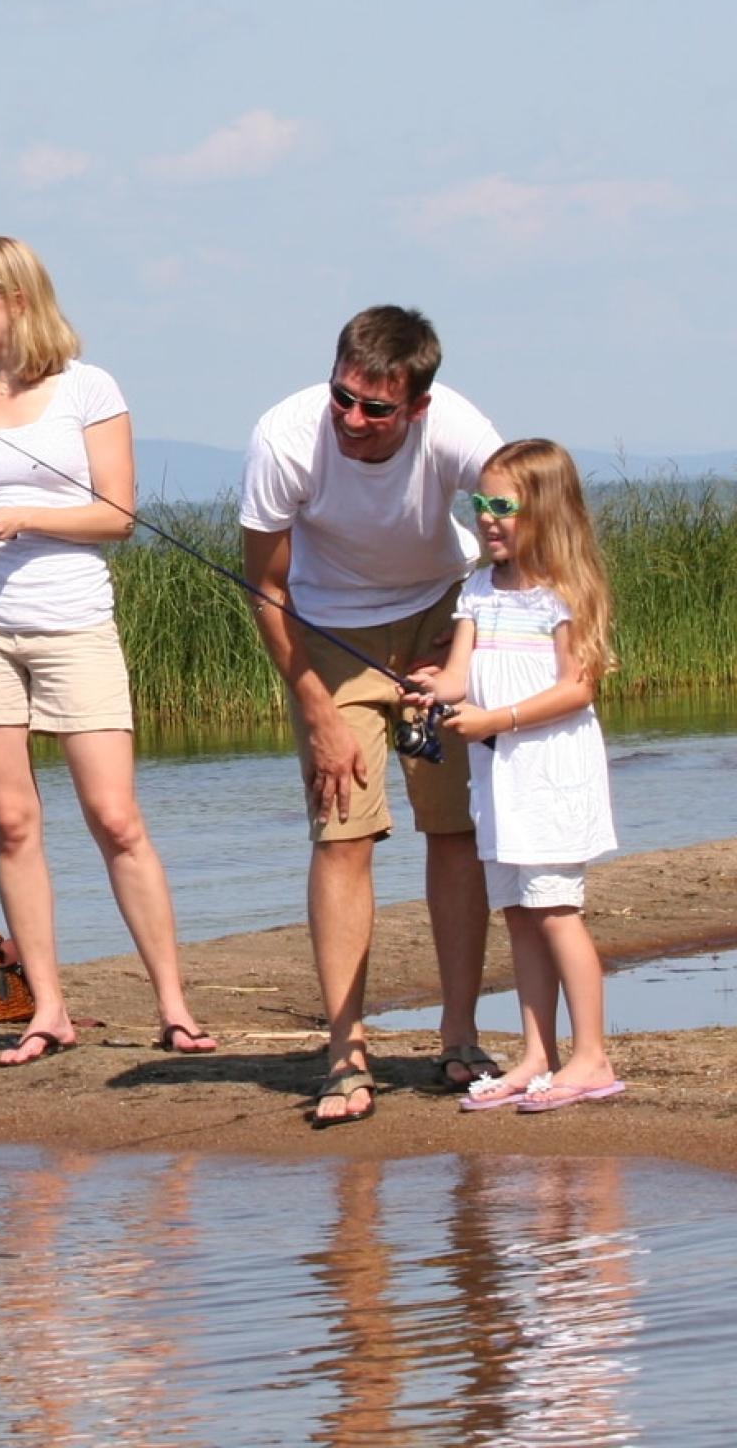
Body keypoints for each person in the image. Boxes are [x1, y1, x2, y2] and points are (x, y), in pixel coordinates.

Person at [0, 235, 214, 1067]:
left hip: (73, 624)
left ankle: (173, 1007)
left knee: (116, 819)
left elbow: (117, 516)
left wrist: (26, 516)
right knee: (14, 823)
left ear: (16, 300)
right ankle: (48, 1010)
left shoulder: (89, 389)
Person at [240, 306, 501, 1125]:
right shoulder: (285, 437)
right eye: (342, 398)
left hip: (441, 610)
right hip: (328, 629)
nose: (353, 420)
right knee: (342, 832)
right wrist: (316, 709)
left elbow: (523, 522)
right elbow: (265, 589)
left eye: (376, 409)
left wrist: (463, 658)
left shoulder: (459, 427)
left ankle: (458, 1035)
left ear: (416, 407)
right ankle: (345, 1052)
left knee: (453, 827)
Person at [410, 440, 623, 1113]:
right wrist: (432, 688)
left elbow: (577, 689)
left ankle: (591, 1055)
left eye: (504, 507)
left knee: (558, 912)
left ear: (545, 511)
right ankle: (538, 1054)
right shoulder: (478, 587)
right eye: (481, 505)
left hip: (552, 776)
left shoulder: (563, 593)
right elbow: (457, 676)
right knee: (520, 914)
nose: (489, 519)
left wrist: (495, 717)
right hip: (497, 781)